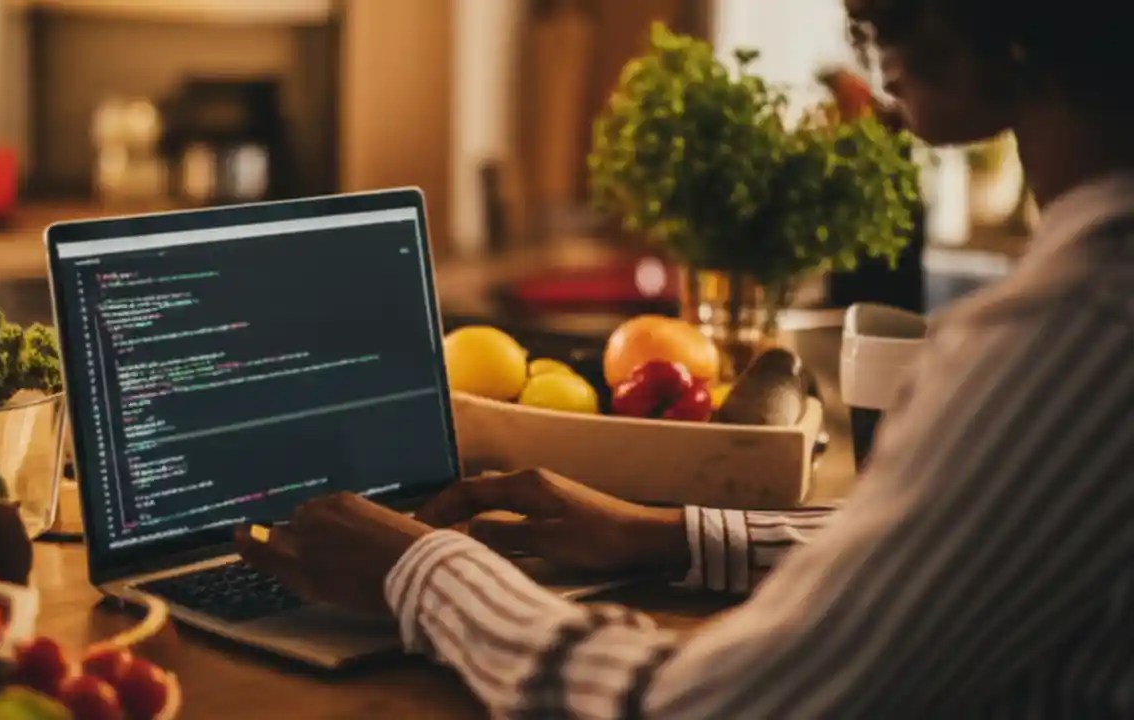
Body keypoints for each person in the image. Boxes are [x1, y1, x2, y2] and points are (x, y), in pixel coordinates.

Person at [237, 2, 1134, 716]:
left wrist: (424, 575)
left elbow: (697, 705)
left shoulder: (1072, 328)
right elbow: (963, 550)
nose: (863, 17)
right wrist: (667, 533)